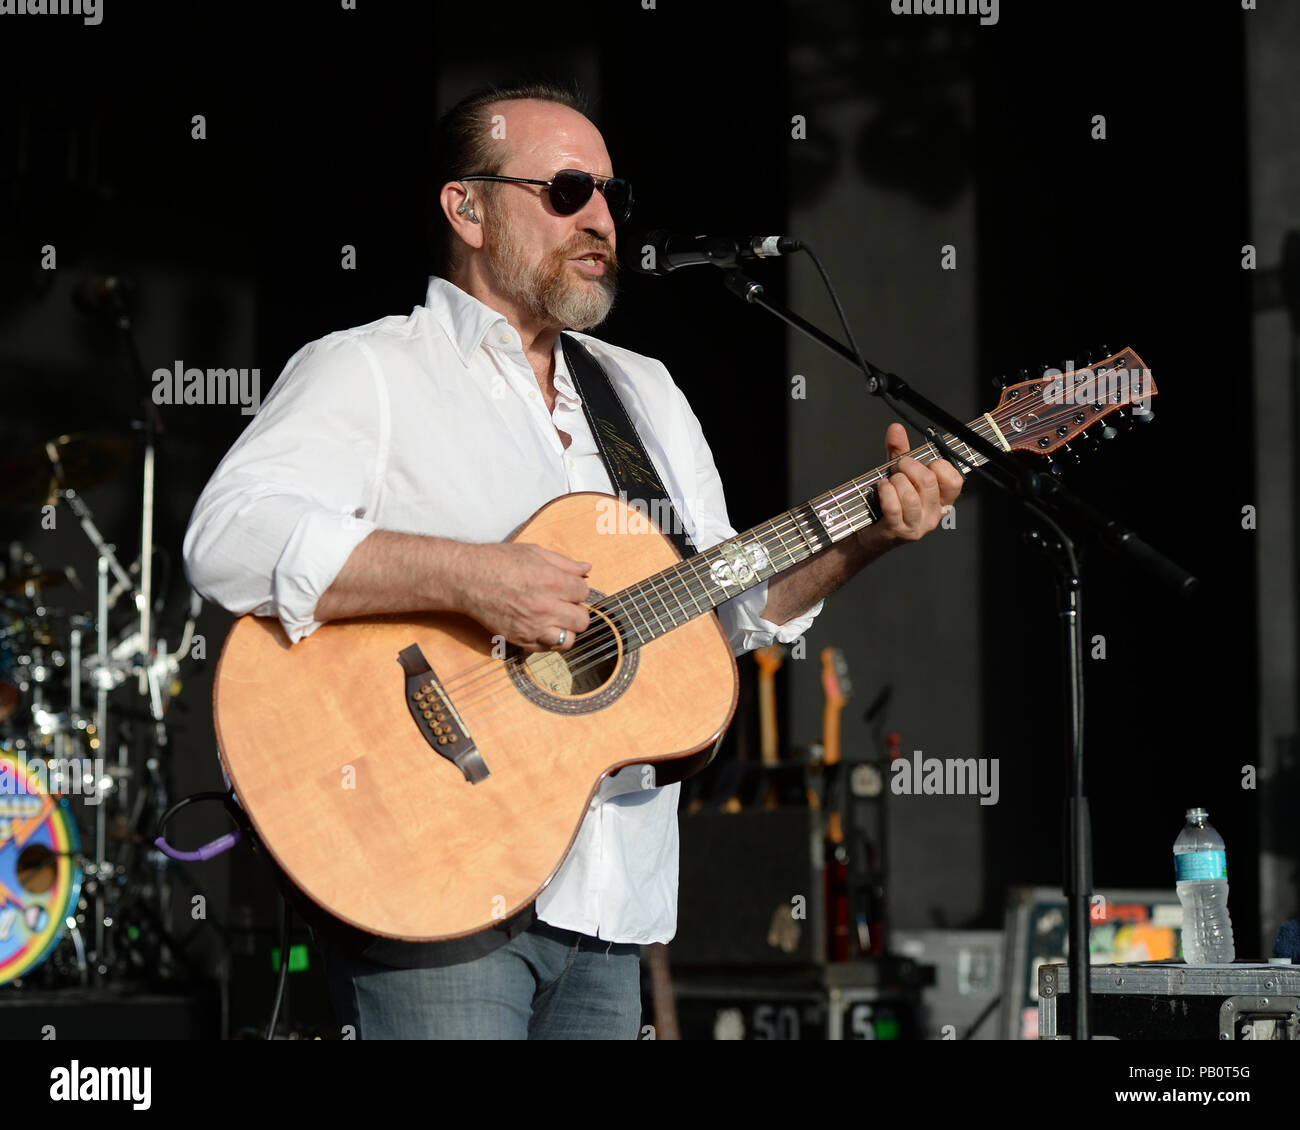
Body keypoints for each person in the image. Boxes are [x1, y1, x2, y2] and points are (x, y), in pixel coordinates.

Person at [182, 81, 963, 1040]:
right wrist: (469, 578)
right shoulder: (371, 369)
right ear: (465, 208)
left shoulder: (643, 391)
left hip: (613, 904)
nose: (600, 219)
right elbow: (227, 538)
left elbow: (730, 604)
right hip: (435, 879)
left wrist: (869, 537)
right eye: (564, 192)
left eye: (609, 196)